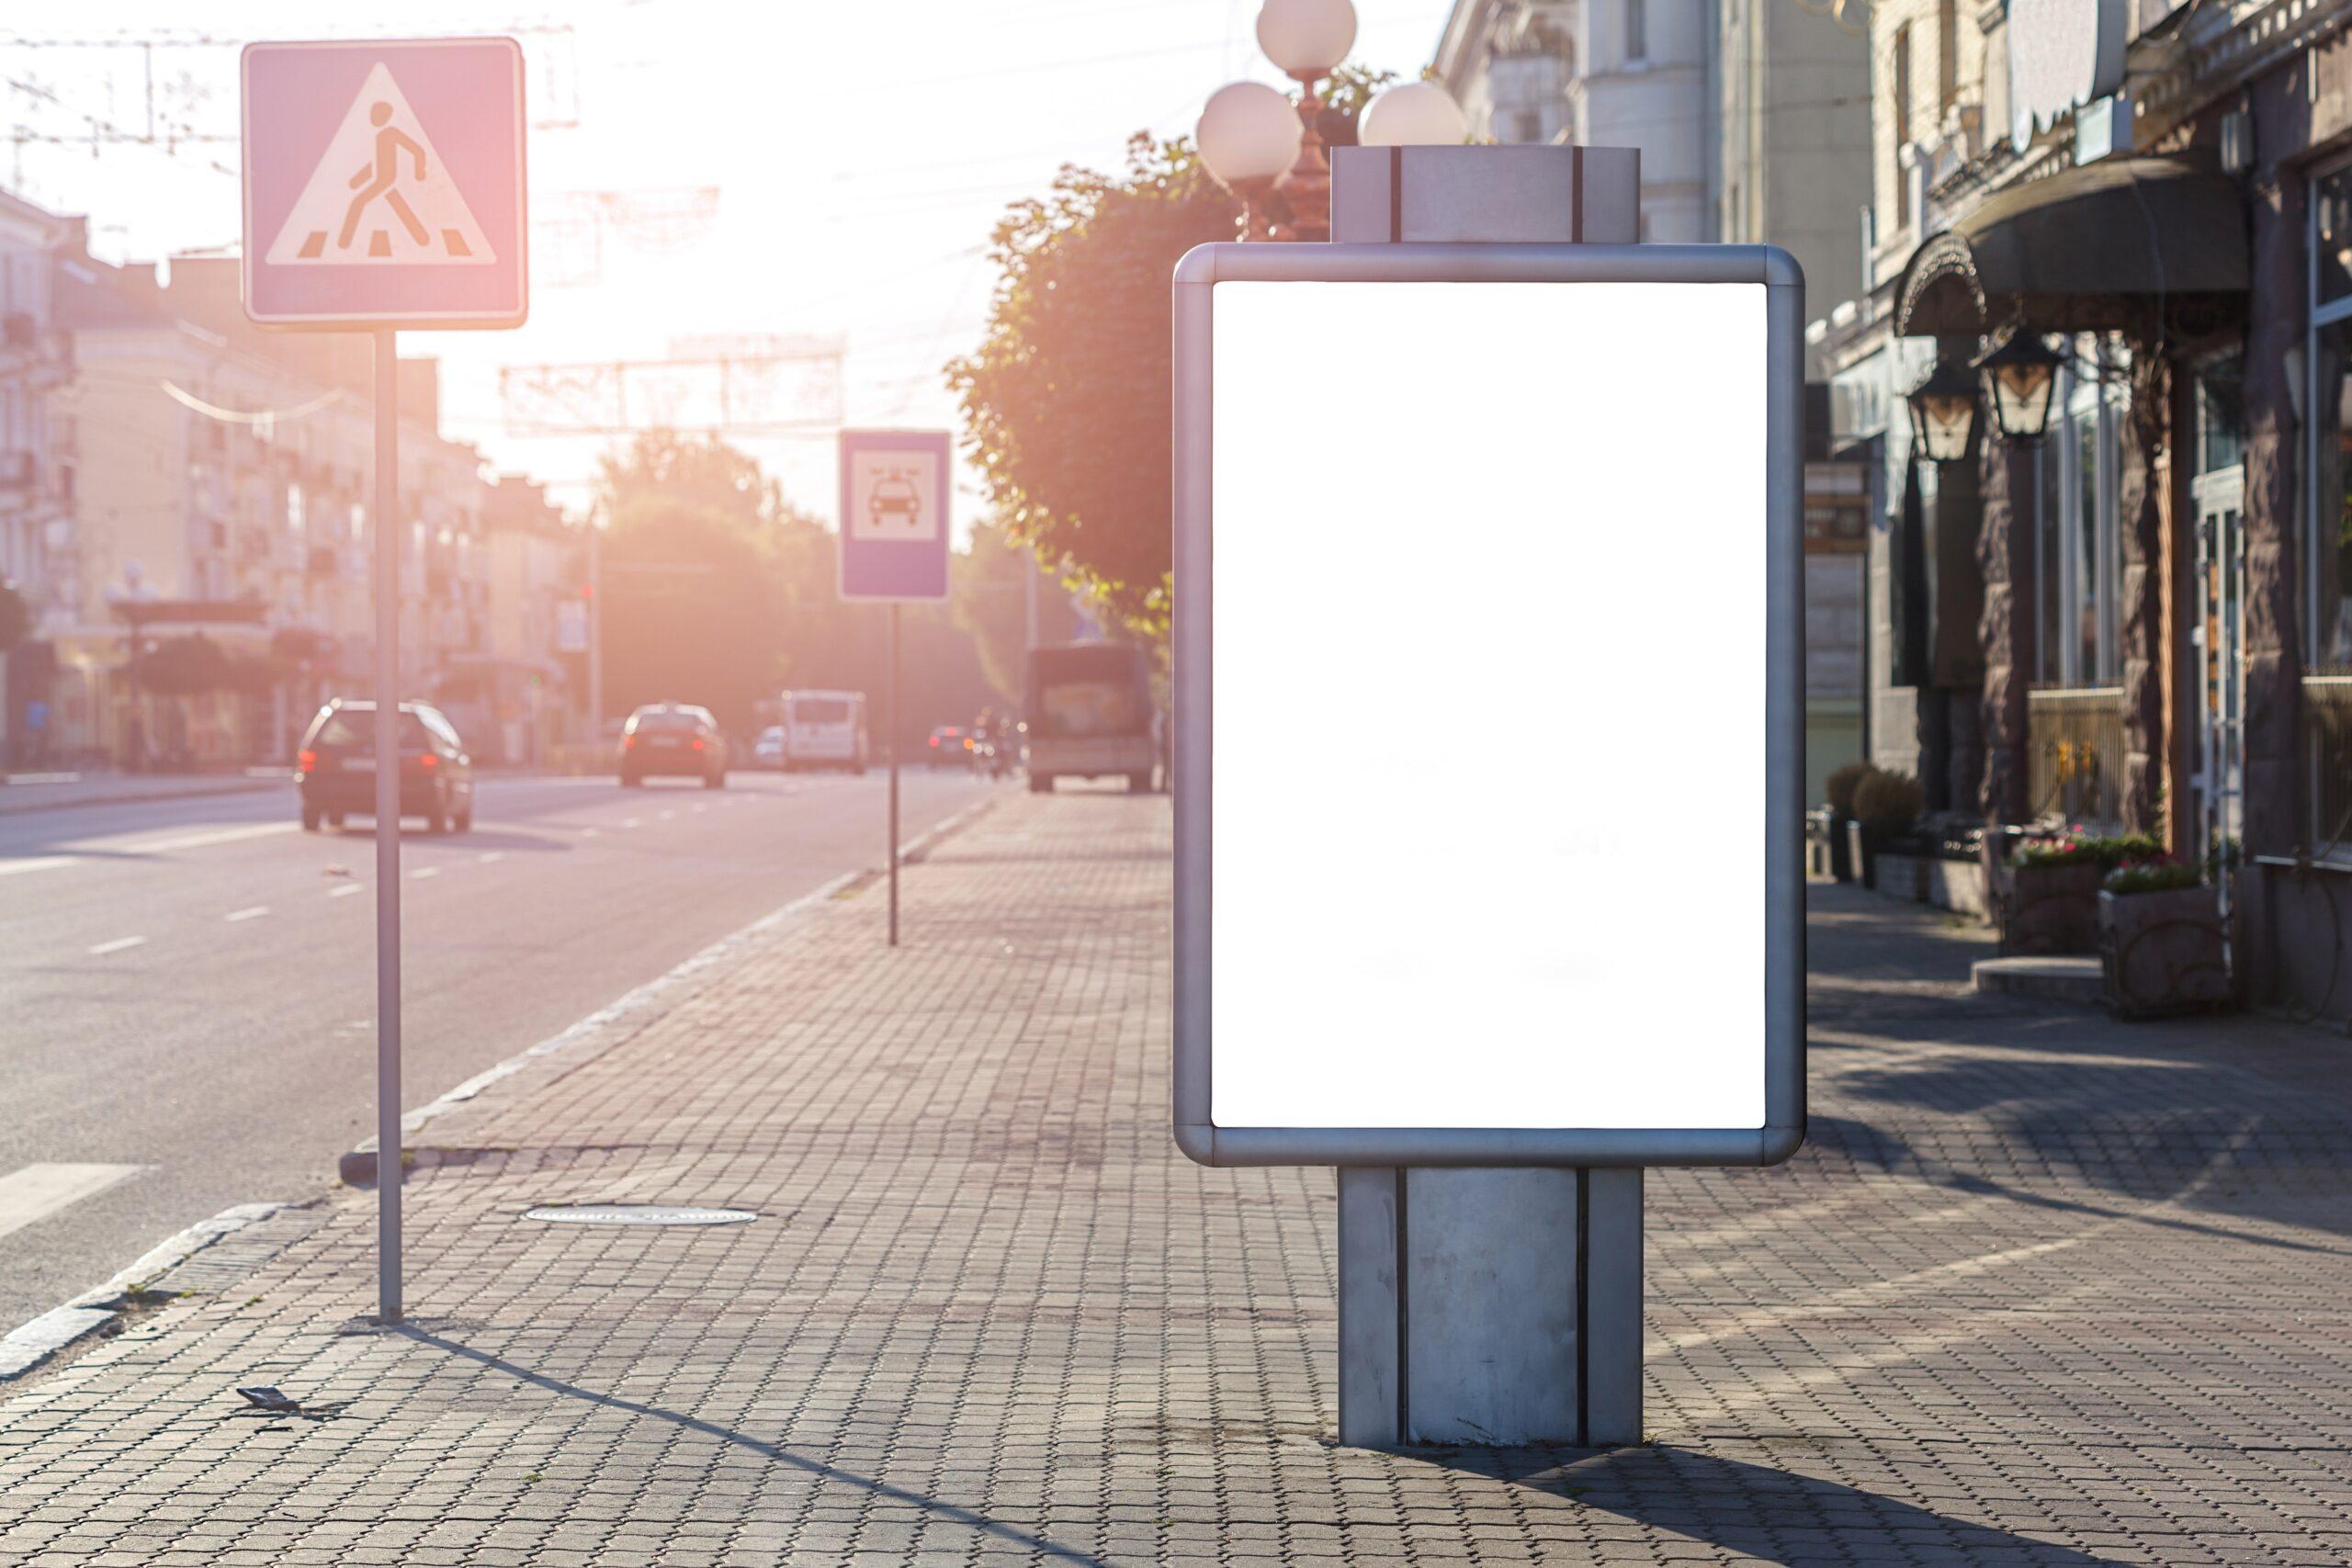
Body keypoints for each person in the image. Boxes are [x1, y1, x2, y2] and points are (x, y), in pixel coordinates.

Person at [340, 102, 428, 252]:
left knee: (358, 203)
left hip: (387, 179)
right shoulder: (380, 135)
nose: (373, 118)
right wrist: (357, 180)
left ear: (386, 117)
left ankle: (343, 243)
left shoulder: (391, 133)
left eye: (377, 115)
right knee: (400, 207)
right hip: (383, 179)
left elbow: (418, 150)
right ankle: (423, 238)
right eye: (372, 114)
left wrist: (419, 171)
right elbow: (377, 163)